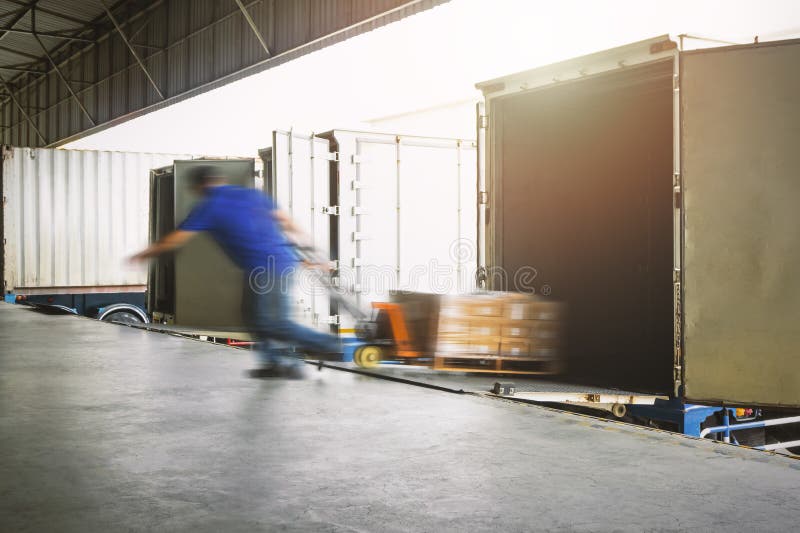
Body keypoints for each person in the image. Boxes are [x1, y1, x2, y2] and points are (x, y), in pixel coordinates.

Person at [131, 165, 340, 379]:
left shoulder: (208, 205)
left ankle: (328, 344)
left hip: (266, 267)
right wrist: (310, 251)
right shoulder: (253, 195)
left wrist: (144, 254)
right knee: (253, 316)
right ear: (219, 179)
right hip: (279, 262)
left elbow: (175, 239)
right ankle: (276, 363)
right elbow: (286, 222)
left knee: (271, 322)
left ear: (199, 186)